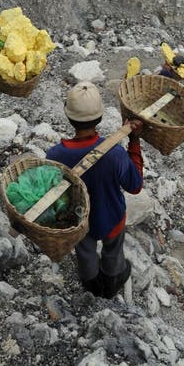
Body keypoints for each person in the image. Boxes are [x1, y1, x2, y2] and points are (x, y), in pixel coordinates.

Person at [46, 82, 144, 299]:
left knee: (85, 253)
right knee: (113, 250)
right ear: (100, 118)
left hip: (79, 221)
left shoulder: (54, 155)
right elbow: (135, 186)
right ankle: (112, 278)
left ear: (69, 117)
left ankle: (91, 284)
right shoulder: (115, 154)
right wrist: (134, 142)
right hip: (112, 216)